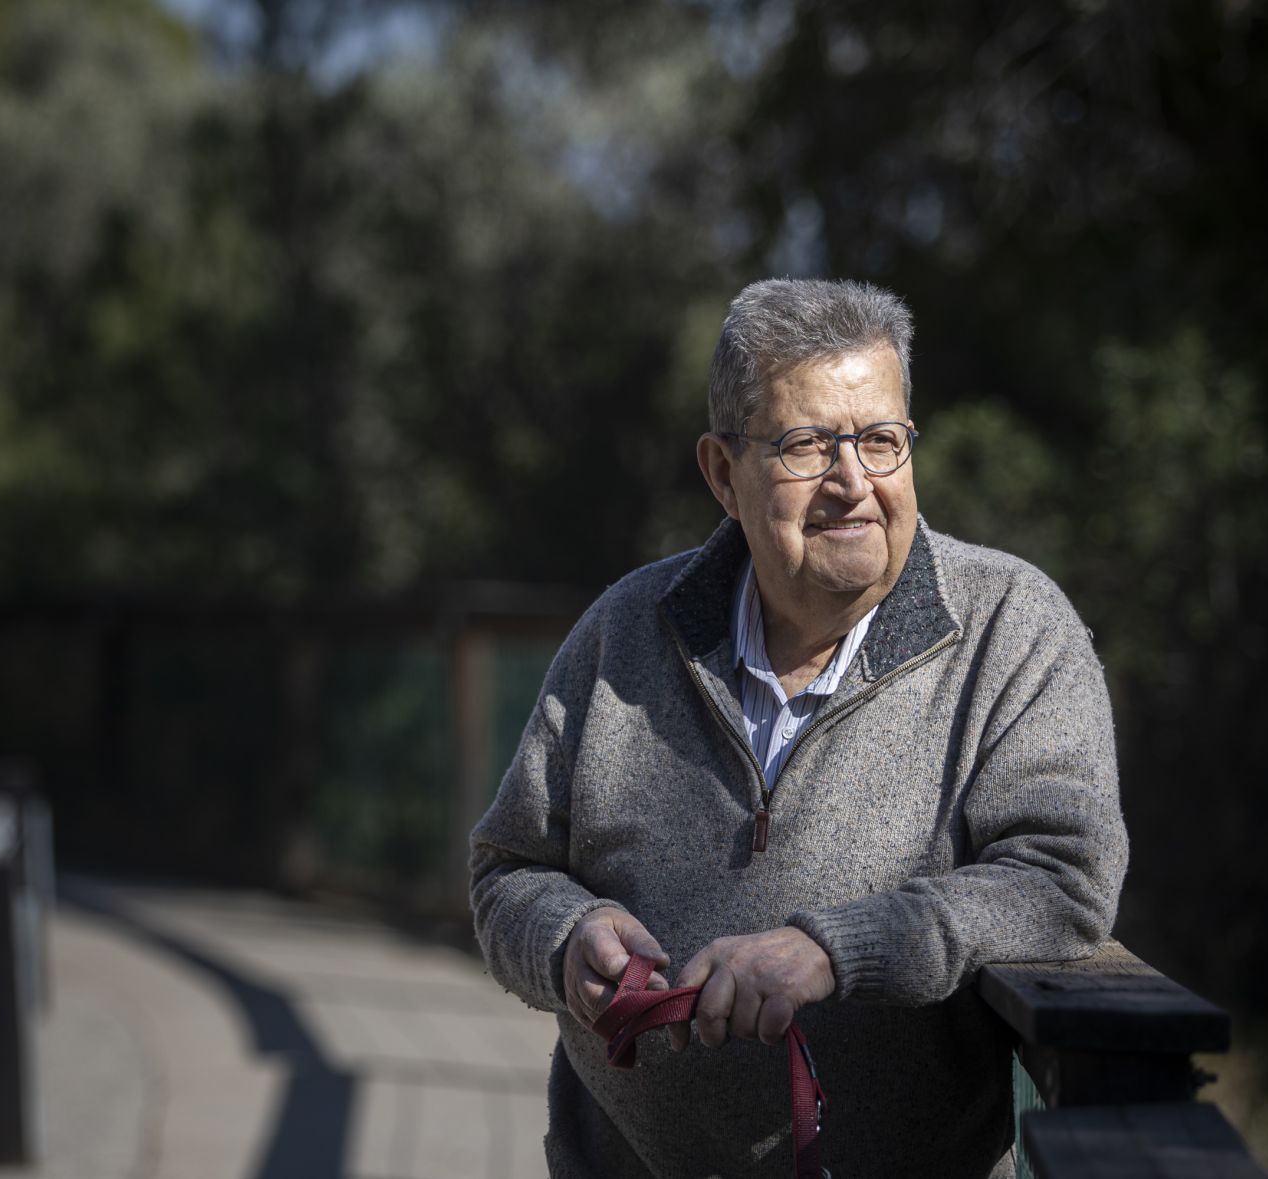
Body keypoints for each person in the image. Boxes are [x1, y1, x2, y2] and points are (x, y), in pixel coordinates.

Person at [468, 278, 1129, 1178]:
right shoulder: (622, 631)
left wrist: (835, 949)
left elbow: (1062, 880)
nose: (852, 483)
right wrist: (564, 935)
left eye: (881, 441)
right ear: (720, 473)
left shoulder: (1014, 629)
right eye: (806, 445)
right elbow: (509, 870)